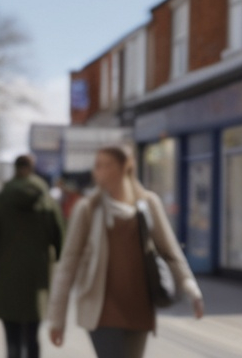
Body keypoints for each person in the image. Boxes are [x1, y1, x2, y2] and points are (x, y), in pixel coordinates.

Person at [48, 145, 204, 358]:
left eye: (106, 165)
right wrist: (57, 320)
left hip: (139, 309)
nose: (99, 171)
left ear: (125, 167)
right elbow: (68, 265)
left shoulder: (148, 204)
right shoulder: (88, 209)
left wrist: (191, 289)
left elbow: (170, 251)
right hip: (100, 311)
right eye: (97, 165)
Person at [0, 154, 64, 358]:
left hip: (5, 276)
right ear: (33, 168)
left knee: (12, 336)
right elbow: (60, 238)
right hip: (37, 277)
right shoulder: (47, 202)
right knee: (33, 334)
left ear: (15, 169)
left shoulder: (0, 201)